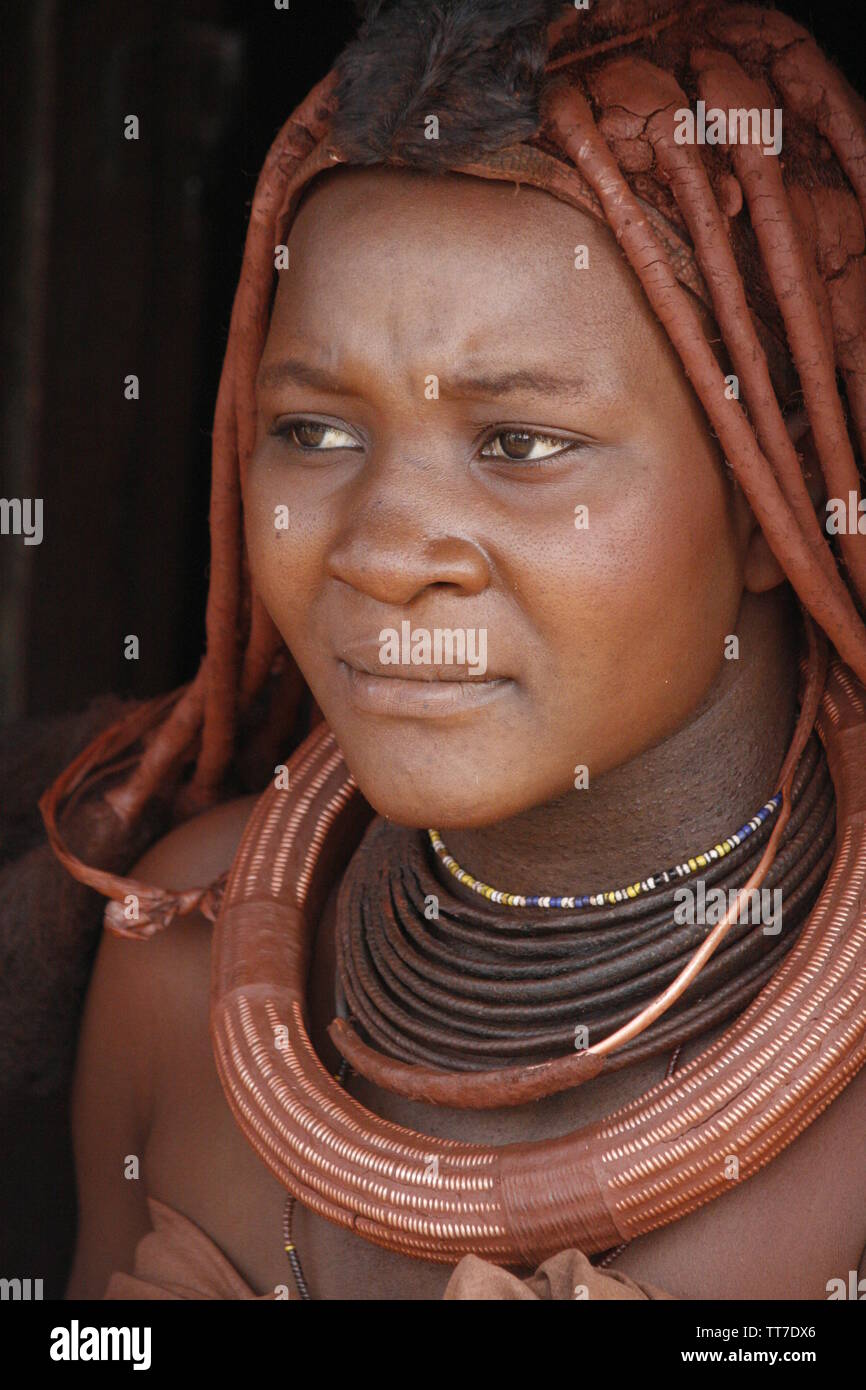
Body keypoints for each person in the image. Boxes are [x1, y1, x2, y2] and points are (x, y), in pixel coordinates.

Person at [42, 0, 866, 1300]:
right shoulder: (177, 958)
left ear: (770, 502)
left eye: (519, 445)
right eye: (313, 431)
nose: (380, 548)